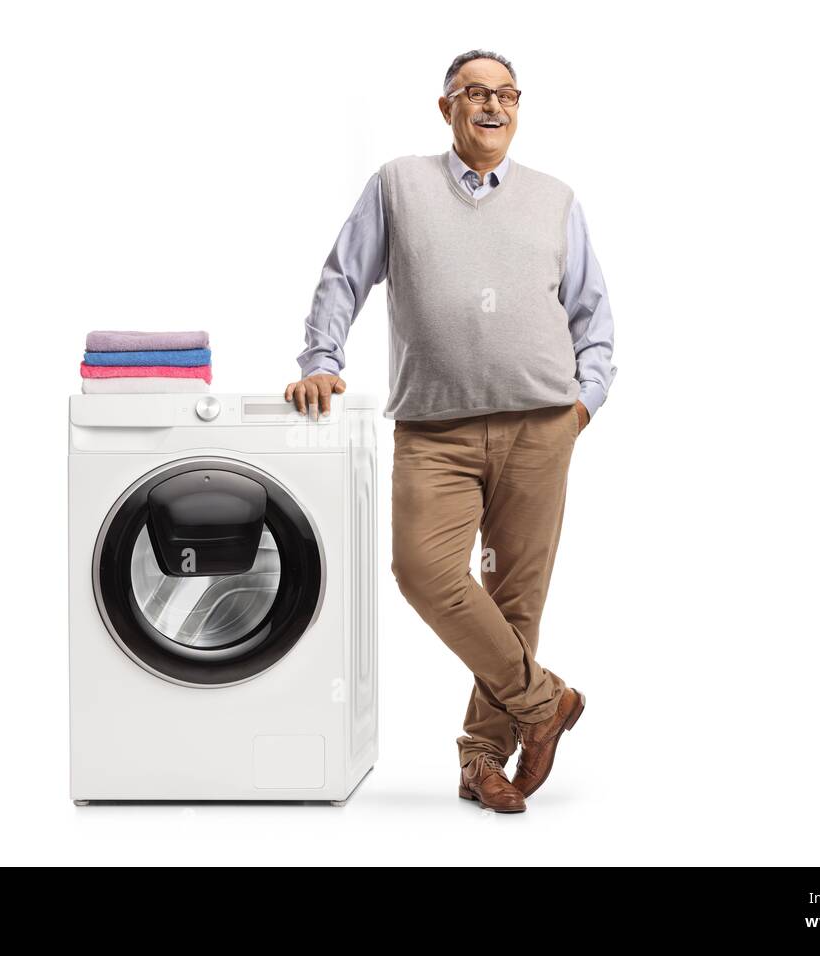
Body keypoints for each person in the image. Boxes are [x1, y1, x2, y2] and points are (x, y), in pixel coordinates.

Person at [284, 49, 617, 813]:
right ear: (447, 109)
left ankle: (481, 759)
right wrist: (321, 358)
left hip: (541, 425)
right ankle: (545, 702)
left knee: (515, 599)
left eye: (506, 94)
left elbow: (593, 314)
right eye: (475, 92)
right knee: (423, 572)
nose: (492, 106)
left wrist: (584, 403)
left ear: (518, 107)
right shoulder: (399, 185)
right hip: (435, 429)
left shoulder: (555, 197)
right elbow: (344, 276)